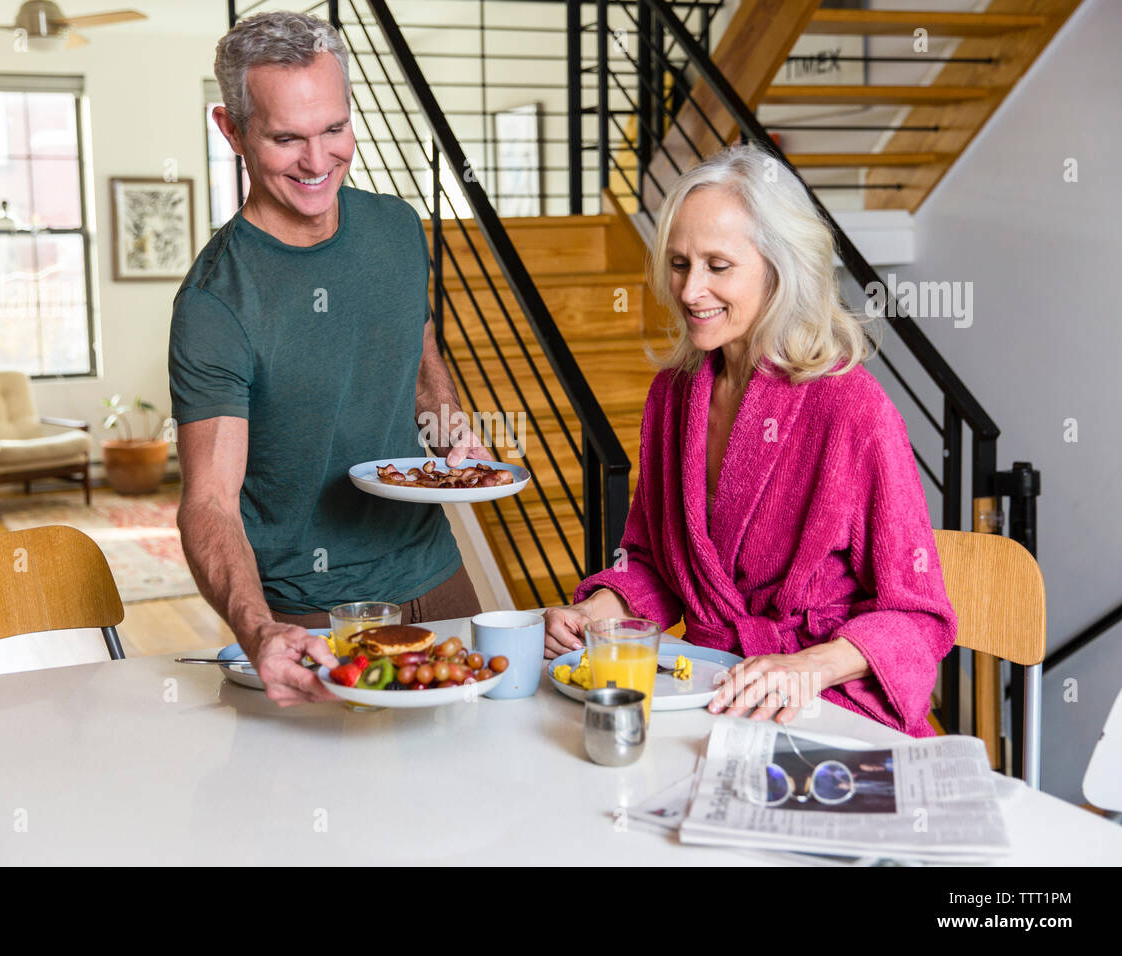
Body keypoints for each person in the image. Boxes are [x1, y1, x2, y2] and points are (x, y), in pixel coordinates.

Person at [543, 143, 957, 738]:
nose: (690, 291)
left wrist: (807, 667)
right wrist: (595, 614)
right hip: (712, 687)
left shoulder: (852, 408)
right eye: (680, 263)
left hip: (823, 705)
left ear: (779, 268)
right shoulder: (672, 398)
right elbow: (655, 565)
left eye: (718, 266)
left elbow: (917, 614)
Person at [170, 12, 486, 706]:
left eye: (334, 129)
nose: (318, 163)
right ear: (232, 131)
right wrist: (257, 627)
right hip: (311, 614)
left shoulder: (397, 229)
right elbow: (210, 501)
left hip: (438, 579)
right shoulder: (215, 302)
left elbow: (418, 353)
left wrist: (451, 432)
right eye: (286, 138)